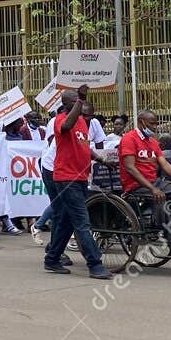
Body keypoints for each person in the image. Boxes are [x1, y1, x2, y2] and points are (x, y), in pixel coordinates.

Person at [43, 87, 112, 279]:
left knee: (66, 221)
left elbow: (84, 147)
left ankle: (52, 259)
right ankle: (95, 264)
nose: (80, 105)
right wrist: (80, 102)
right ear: (66, 105)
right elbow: (66, 126)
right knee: (82, 222)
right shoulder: (60, 120)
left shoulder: (82, 122)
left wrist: (102, 160)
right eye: (76, 102)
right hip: (66, 178)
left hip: (81, 177)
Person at [117, 110, 171, 260]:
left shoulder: (153, 141)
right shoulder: (129, 139)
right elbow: (130, 167)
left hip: (154, 181)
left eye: (156, 123)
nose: (155, 127)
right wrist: (152, 188)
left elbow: (164, 164)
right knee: (162, 198)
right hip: (135, 184)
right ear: (141, 122)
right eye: (152, 123)